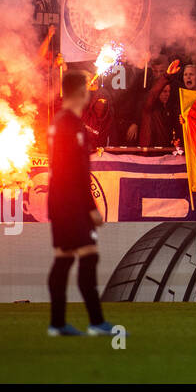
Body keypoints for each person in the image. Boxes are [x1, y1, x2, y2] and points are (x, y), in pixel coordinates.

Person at [46, 69, 115, 337]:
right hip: (70, 202)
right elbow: (73, 169)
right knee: (88, 254)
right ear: (79, 91)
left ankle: (58, 323)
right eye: (86, 88)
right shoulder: (69, 125)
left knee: (64, 258)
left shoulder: (61, 121)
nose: (90, 92)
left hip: (62, 200)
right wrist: (89, 207)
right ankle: (96, 322)